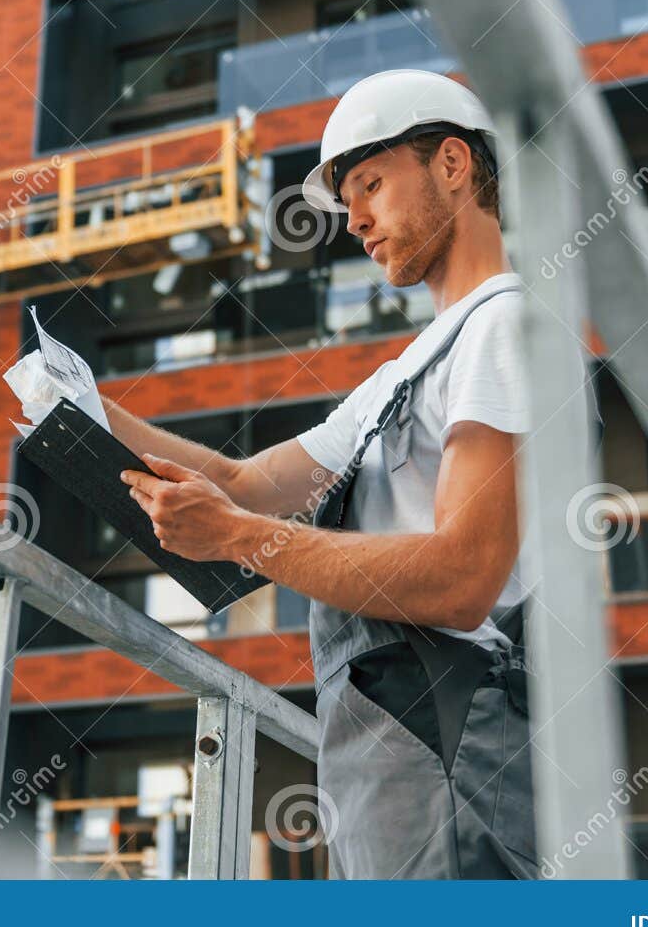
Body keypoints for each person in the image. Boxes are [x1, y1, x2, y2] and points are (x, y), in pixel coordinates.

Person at [110, 68, 544, 879]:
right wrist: (81, 407)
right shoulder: (403, 374)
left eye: (372, 185)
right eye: (350, 201)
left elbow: (463, 575)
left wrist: (239, 539)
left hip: (454, 745)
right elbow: (241, 483)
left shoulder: (503, 327)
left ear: (454, 164)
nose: (357, 221)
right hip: (388, 757)